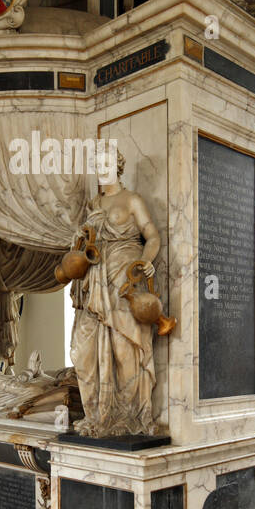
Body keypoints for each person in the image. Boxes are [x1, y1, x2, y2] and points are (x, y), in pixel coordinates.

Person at [70, 154, 161, 437]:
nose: (101, 170)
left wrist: (146, 260)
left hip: (124, 278)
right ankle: (97, 414)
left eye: (106, 165)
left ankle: (127, 415)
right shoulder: (93, 205)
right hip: (94, 281)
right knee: (82, 351)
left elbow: (153, 236)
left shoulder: (132, 199)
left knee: (124, 350)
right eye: (97, 166)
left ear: (118, 167)